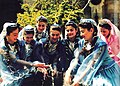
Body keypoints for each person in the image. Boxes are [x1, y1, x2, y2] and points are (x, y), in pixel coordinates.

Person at [64, 19, 120, 86]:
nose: (81, 34)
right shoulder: (82, 43)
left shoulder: (101, 45)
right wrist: (69, 72)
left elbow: (92, 64)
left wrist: (78, 80)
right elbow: (77, 59)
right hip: (90, 70)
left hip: (105, 72)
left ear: (91, 30)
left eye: (83, 32)